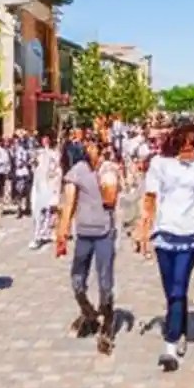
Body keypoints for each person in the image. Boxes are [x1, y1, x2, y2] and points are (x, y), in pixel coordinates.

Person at [141, 121, 194, 372]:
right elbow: (150, 198)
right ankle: (180, 326)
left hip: (191, 233)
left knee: (178, 287)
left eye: (192, 144)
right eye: (183, 143)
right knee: (171, 290)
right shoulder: (159, 164)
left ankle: (170, 346)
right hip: (165, 232)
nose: (188, 149)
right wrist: (143, 230)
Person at [56, 138, 121, 354]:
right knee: (77, 282)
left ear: (102, 149)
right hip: (84, 233)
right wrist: (62, 232)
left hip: (104, 233)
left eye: (93, 146)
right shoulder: (77, 171)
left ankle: (108, 322)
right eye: (87, 146)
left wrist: (108, 181)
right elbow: (69, 203)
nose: (88, 150)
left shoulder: (110, 169)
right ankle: (90, 314)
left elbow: (111, 199)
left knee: (105, 282)